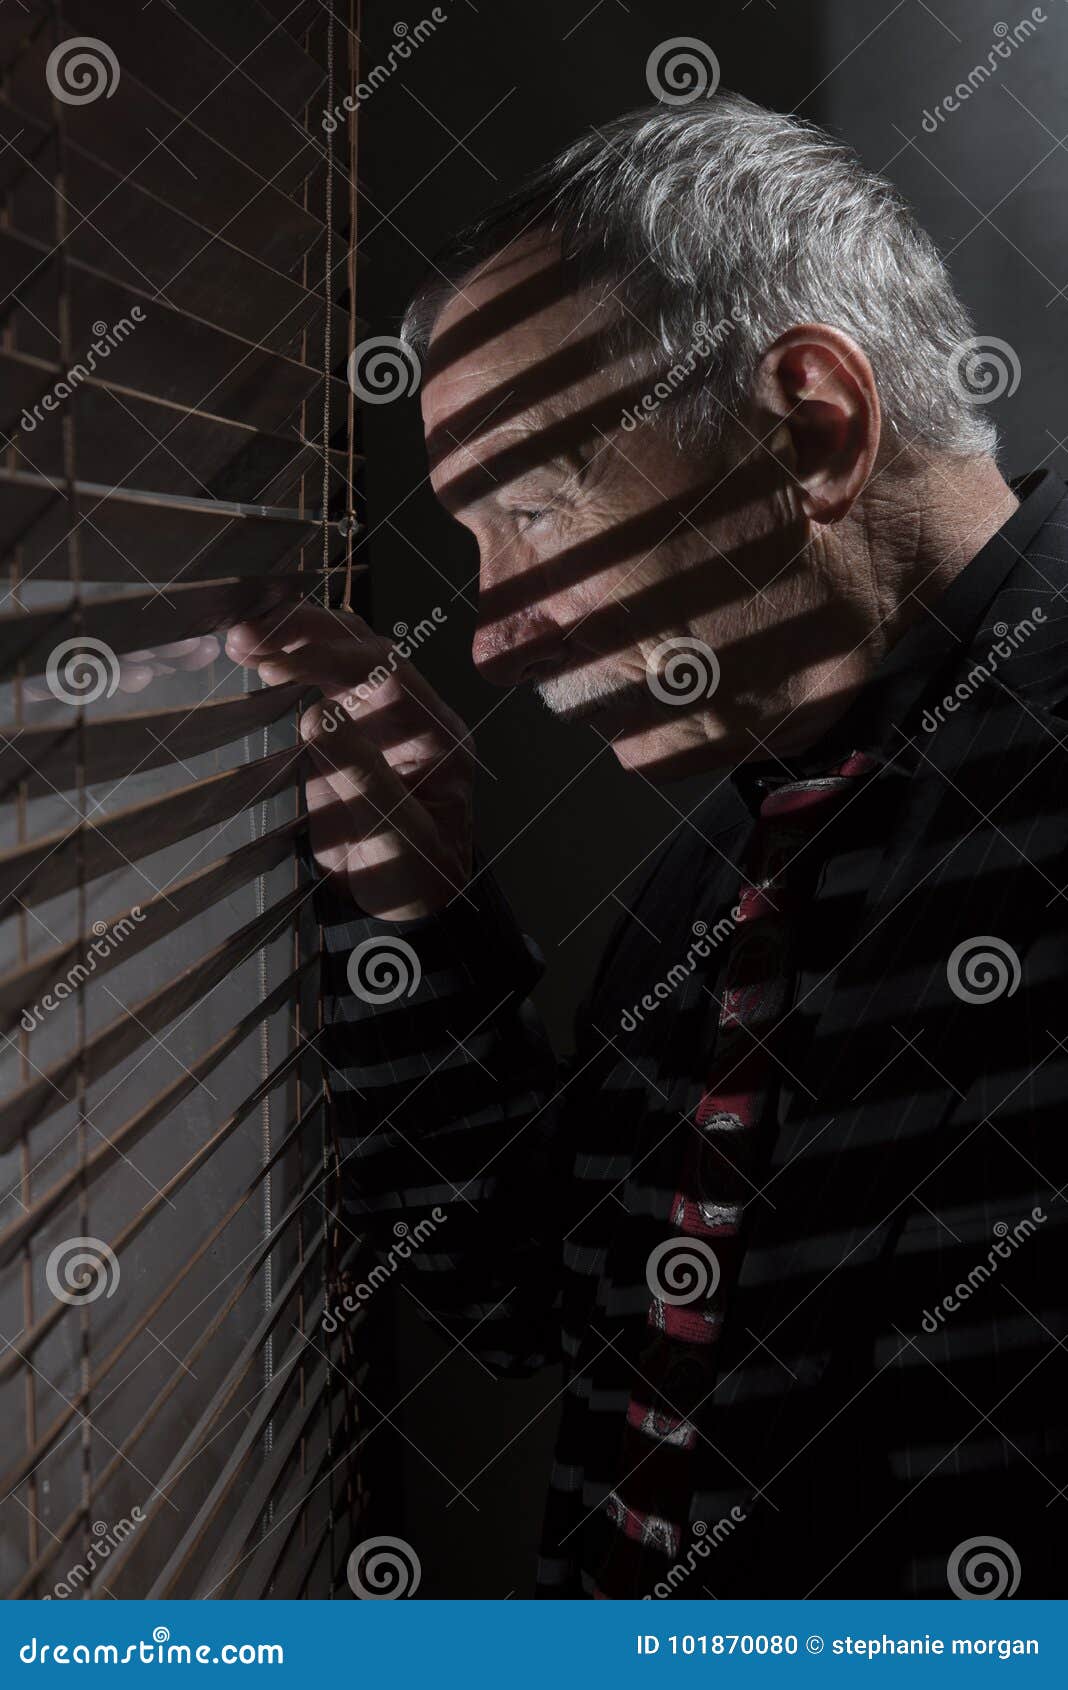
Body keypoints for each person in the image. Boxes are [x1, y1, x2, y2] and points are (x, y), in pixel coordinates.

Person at [226, 93, 1068, 1599]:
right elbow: (533, 1294)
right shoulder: (742, 843)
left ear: (812, 426)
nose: (490, 633)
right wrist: (415, 907)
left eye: (537, 512)